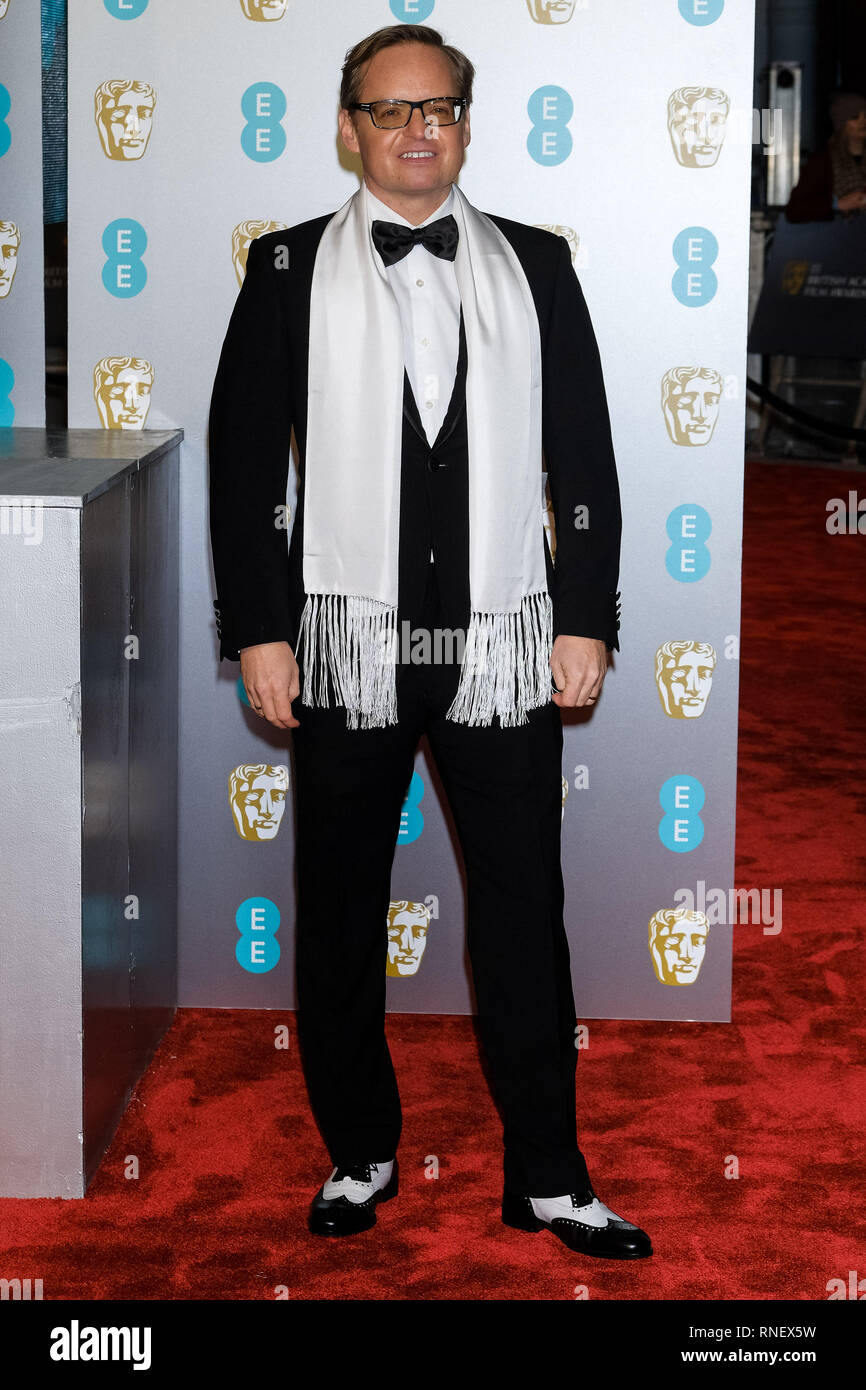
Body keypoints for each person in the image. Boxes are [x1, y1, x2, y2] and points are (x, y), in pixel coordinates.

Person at [208, 22, 651, 1260]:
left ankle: (549, 1174)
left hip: (503, 644)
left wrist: (584, 618)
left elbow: (586, 461)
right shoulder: (287, 269)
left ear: (466, 120)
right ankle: (359, 1148)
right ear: (348, 126)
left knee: (524, 909)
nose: (416, 132)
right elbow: (245, 475)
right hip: (343, 646)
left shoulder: (536, 267)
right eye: (390, 111)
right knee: (341, 905)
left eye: (438, 109)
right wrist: (257, 632)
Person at [785, 91, 866, 222]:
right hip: (838, 236)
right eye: (855, 116)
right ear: (842, 123)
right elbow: (795, 209)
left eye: (865, 115)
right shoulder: (823, 161)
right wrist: (837, 204)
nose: (863, 121)